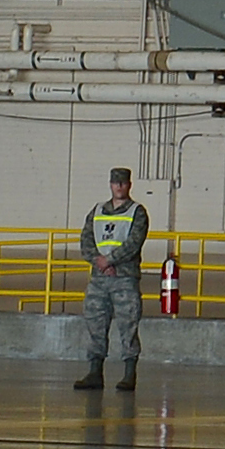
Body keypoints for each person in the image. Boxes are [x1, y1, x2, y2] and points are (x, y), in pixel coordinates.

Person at [75, 168, 152, 392]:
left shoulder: (137, 212)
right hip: (99, 278)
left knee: (128, 325)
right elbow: (86, 239)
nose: (119, 186)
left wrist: (109, 260)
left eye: (123, 183)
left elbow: (133, 243)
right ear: (110, 184)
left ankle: (129, 374)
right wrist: (98, 261)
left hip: (124, 278)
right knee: (95, 323)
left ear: (129, 185)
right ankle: (94, 372)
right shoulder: (97, 211)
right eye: (115, 182)